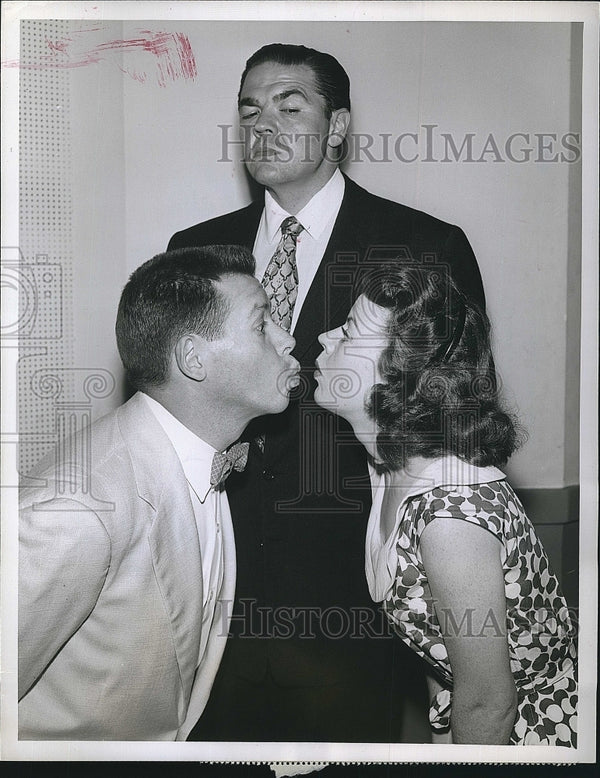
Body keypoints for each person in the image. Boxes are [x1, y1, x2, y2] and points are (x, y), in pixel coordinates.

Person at [168, 43, 486, 741]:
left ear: (338, 126)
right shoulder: (195, 251)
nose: (264, 125)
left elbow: (458, 423)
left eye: (291, 105)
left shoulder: (420, 245)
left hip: (352, 605)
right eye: (250, 108)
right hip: (214, 592)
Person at [18, 245, 300, 740]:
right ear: (194, 358)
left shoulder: (206, 454)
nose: (287, 339)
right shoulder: (76, 510)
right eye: (261, 324)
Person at [314, 263, 577, 745]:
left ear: (397, 374)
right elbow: (444, 658)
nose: (325, 339)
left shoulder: (450, 515)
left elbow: (488, 703)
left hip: (541, 738)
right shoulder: (391, 468)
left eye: (349, 333)